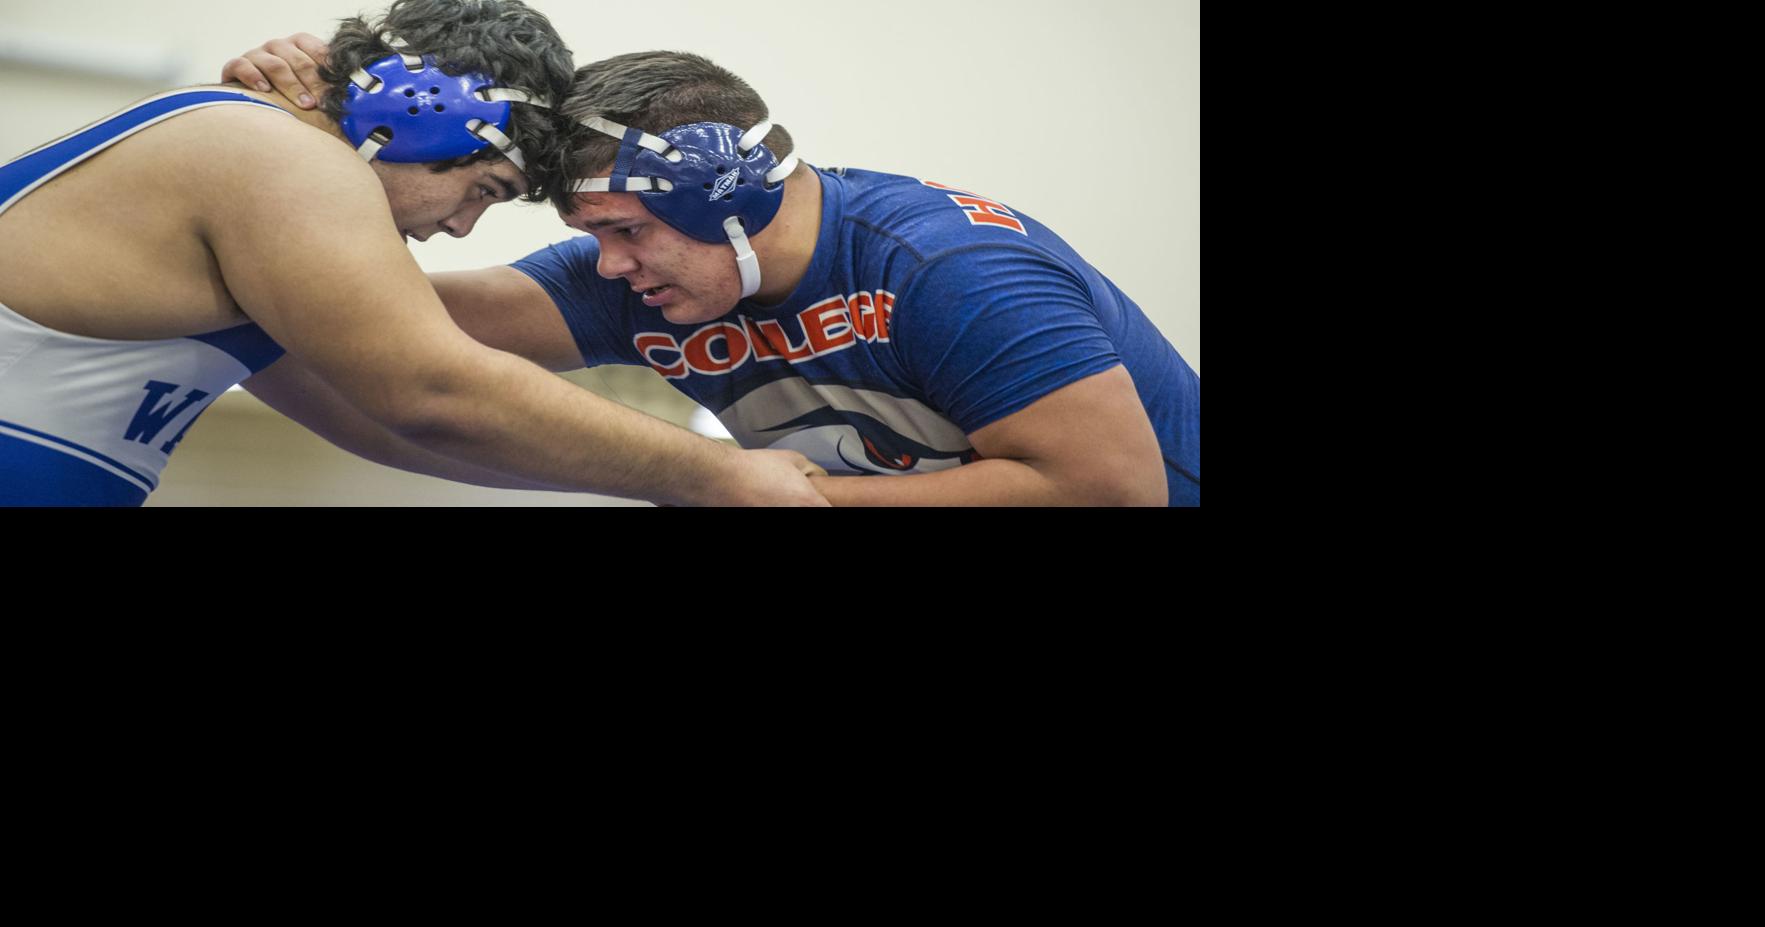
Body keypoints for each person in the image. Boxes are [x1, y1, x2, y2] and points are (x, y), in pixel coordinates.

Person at [223, 42, 1198, 505]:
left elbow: (1109, 488)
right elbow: (359, 326)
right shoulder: (637, 271)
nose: (609, 264)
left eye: (624, 229)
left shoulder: (944, 268)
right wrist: (317, 139)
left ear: (725, 197)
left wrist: (739, 490)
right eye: (591, 234)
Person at [0, 0, 826, 507]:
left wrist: (673, 484)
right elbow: (431, 390)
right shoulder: (278, 157)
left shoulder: (260, 166)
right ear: (419, 113)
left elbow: (377, 423)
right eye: (485, 189)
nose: (461, 229)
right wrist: (712, 473)